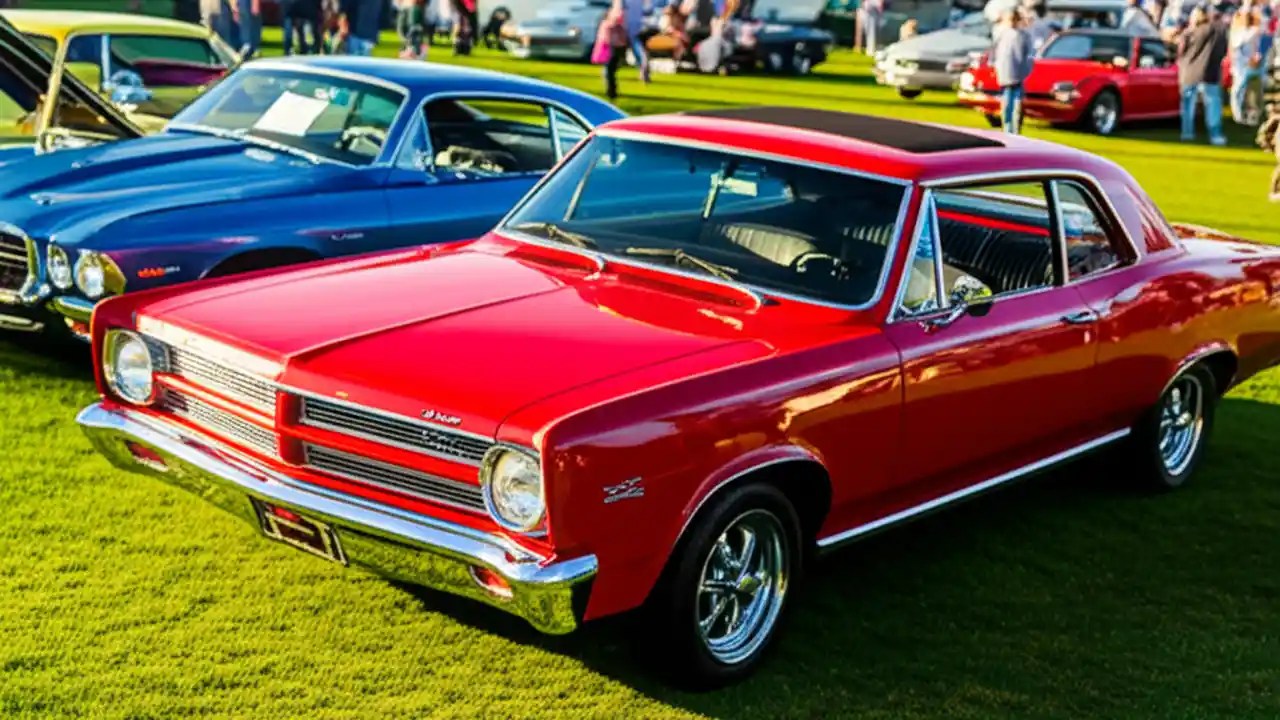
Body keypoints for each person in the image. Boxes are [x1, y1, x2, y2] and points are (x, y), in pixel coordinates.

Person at [1178, 6, 1229, 144]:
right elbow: (1222, 49)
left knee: (1188, 105)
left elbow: (1180, 53)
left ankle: (1187, 133)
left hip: (1189, 71)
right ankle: (1215, 134)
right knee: (1212, 104)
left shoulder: (1188, 33)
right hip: (1209, 71)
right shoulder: (1217, 30)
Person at [992, 9, 1035, 134]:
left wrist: (1024, 72)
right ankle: (1007, 129)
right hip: (1006, 76)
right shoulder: (1003, 34)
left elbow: (1028, 56)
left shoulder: (1023, 36)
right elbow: (996, 54)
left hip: (1017, 76)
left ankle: (1014, 131)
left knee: (1016, 105)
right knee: (1007, 105)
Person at [1229, 5, 1263, 123]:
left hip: (1248, 65)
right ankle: (1238, 116)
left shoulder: (1252, 31)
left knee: (1246, 91)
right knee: (1238, 91)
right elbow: (1235, 48)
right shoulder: (1238, 32)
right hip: (1239, 65)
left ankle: (1244, 115)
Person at [597, 5, 631, 99]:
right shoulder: (611, 25)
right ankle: (611, 90)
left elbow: (606, 38)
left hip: (614, 48)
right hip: (614, 48)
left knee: (609, 71)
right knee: (610, 71)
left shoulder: (612, 25)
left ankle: (611, 91)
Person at [620, 0, 651, 84]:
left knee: (637, 48)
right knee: (638, 48)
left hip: (631, 26)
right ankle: (643, 69)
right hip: (640, 26)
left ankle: (643, 67)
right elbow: (648, 10)